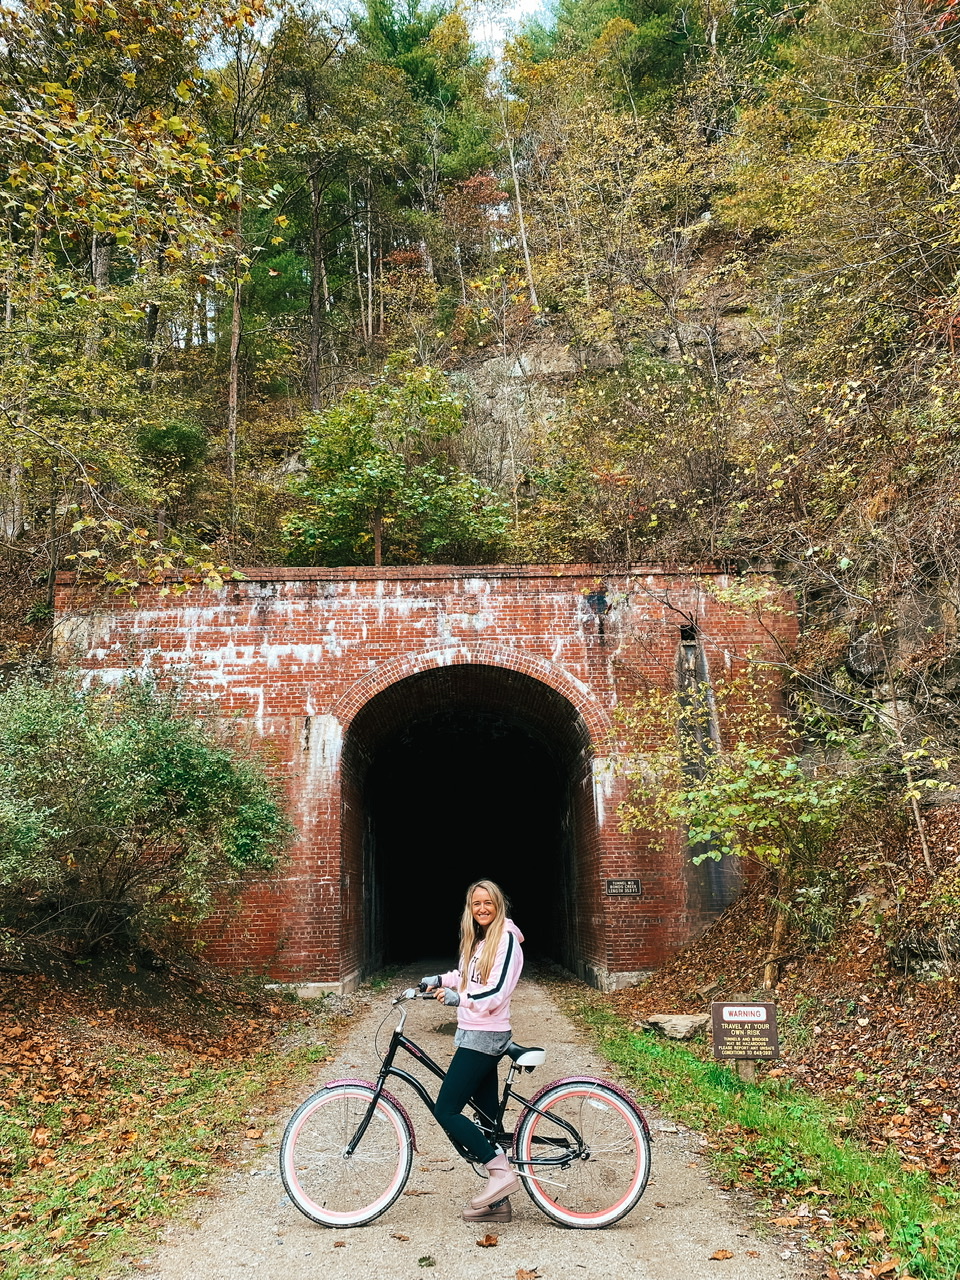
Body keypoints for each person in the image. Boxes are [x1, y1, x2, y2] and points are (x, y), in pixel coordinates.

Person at [421, 879, 524, 1224]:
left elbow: (494, 993)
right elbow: (466, 976)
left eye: (488, 903)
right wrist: (439, 979)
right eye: (476, 904)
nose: (482, 909)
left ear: (499, 905)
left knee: (446, 1108)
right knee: (486, 1119)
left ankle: (500, 1173)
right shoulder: (479, 942)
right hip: (472, 1033)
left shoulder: (507, 940)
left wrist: (458, 999)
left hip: (486, 1036)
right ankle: (499, 1204)